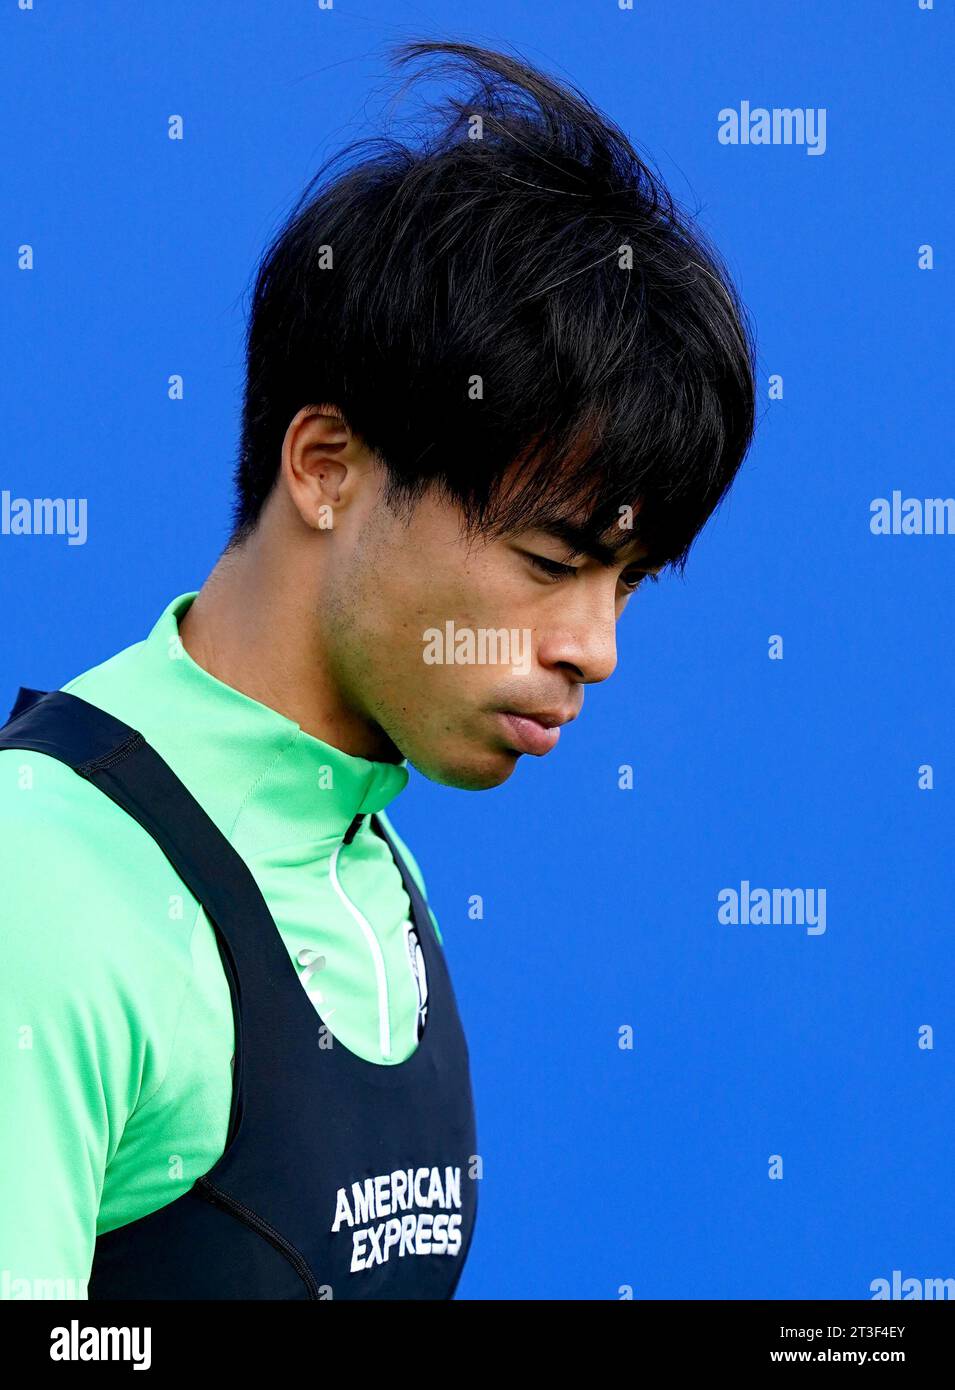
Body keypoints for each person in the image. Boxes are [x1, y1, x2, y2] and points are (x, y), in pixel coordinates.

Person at [0, 39, 756, 1301]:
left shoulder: (373, 867)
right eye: (548, 558)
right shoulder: (41, 889)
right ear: (327, 467)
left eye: (625, 582)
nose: (595, 647)